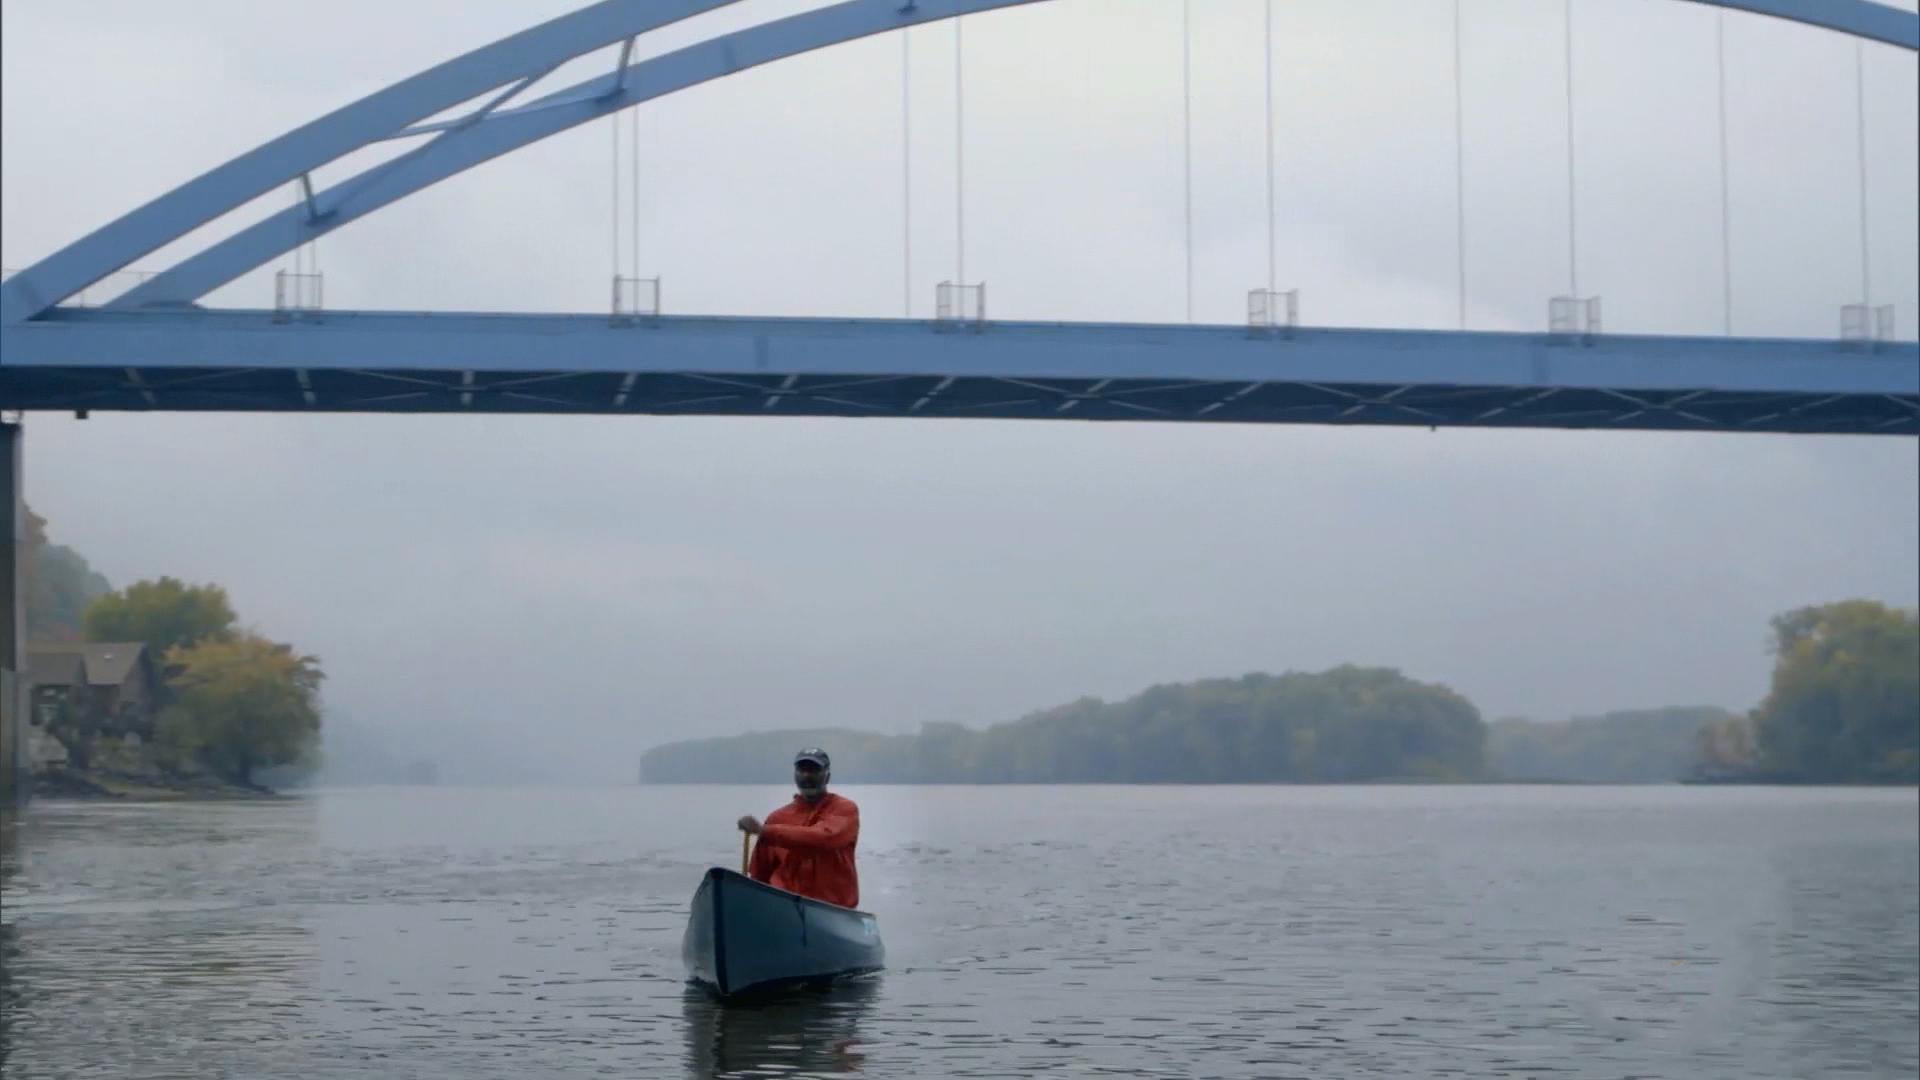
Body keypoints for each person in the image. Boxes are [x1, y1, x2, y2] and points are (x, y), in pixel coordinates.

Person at [737, 747, 860, 909]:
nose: (807, 775)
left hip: (833, 911)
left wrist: (764, 831)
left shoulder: (845, 810)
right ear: (795, 775)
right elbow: (759, 875)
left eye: (814, 770)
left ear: (827, 776)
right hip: (784, 909)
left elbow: (824, 838)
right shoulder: (776, 818)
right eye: (802, 770)